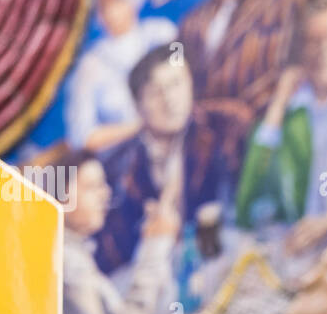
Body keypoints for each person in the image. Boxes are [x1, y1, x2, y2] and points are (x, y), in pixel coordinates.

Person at [235, 0, 327, 252]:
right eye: (314, 40)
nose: (324, 50)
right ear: (299, 47)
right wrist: (277, 109)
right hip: (301, 253)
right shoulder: (286, 114)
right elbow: (246, 206)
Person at [95, 46, 251, 274]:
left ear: (190, 85)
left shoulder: (226, 128)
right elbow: (111, 255)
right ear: (138, 106)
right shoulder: (116, 167)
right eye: (155, 92)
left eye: (176, 85)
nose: (169, 100)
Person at [61, 150, 178, 314]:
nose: (105, 193)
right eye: (92, 187)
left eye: (103, 185)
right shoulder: (66, 259)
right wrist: (156, 245)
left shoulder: (70, 253)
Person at [65, 0, 177, 152]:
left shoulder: (161, 34)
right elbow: (82, 136)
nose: (109, 13)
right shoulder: (91, 64)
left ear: (132, 0)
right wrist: (140, 128)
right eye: (102, 6)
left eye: (116, 2)